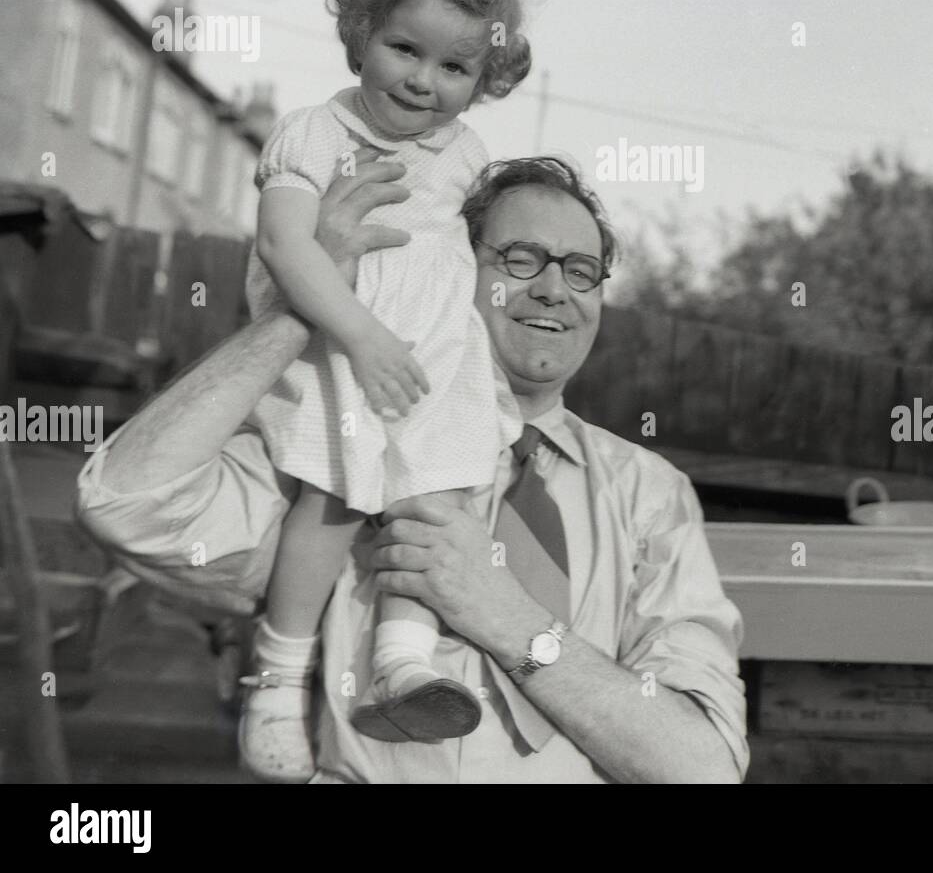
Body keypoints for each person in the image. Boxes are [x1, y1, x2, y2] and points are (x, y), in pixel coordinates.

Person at [76, 156, 748, 783]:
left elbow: (704, 765)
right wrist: (304, 310)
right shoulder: (341, 449)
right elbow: (124, 503)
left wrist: (506, 617)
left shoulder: (651, 495)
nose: (552, 289)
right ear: (452, 268)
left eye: (581, 270)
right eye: (521, 259)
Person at [239, 0, 534, 779]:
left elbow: (463, 266)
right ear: (361, 33)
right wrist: (362, 337)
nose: (425, 81)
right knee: (330, 504)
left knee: (437, 508)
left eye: (455, 68)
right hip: (342, 355)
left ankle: (405, 662)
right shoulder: (315, 134)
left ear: (483, 80)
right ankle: (276, 680)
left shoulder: (465, 152)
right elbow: (287, 247)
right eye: (406, 49)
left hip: (430, 371)